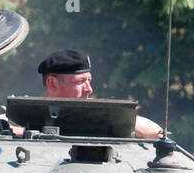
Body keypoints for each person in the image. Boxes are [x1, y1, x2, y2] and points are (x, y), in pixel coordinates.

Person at [36, 48, 164, 138]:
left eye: (89, 81)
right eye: (80, 82)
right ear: (52, 83)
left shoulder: (99, 115)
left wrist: (106, 116)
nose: (89, 89)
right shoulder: (23, 117)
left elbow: (155, 132)